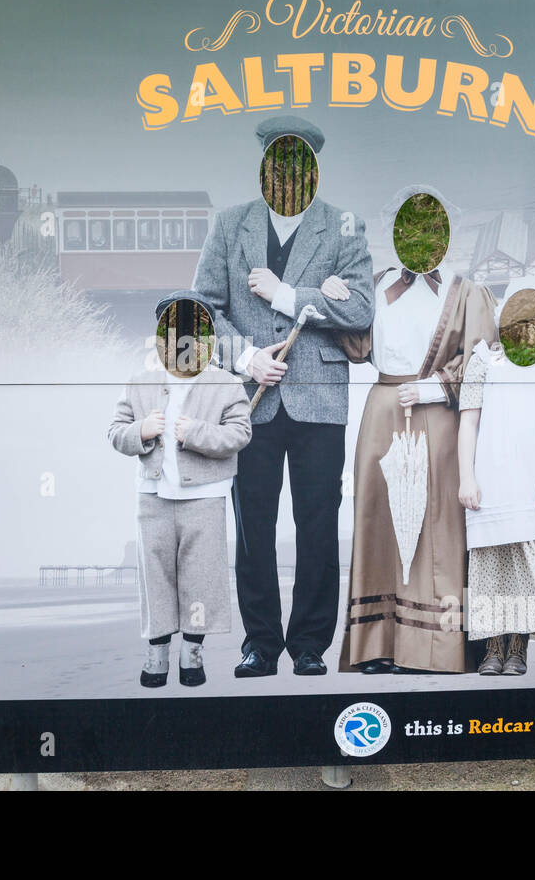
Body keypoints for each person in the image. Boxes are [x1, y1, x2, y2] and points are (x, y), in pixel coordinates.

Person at [192, 115, 374, 678]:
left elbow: (362, 308)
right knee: (253, 525)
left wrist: (290, 294)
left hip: (320, 401)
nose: (288, 169)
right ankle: (261, 645)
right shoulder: (228, 225)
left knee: (318, 522)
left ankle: (311, 644)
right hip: (252, 401)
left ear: (313, 168)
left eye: (299, 160)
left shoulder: (344, 227)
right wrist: (246, 358)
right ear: (266, 164)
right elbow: (203, 313)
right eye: (279, 158)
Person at [337, 260, 497, 675]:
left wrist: (432, 387)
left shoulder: (465, 291)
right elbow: (357, 349)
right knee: (379, 522)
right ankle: (377, 645)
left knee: (436, 526)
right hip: (383, 409)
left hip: (438, 413)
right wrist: (337, 298)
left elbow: (482, 358)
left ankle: (432, 648)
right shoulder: (377, 284)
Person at [107, 291, 252, 688]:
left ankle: (192, 652)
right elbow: (115, 433)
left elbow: (241, 432)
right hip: (152, 497)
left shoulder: (225, 383)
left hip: (205, 496)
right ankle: (156, 655)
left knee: (200, 578)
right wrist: (141, 431)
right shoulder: (140, 381)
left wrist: (196, 433)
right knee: (155, 576)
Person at [457, 277, 535, 676]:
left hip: (534, 485)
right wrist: (466, 478)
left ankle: (518, 649)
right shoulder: (483, 361)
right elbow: (468, 423)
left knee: (526, 570)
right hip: (492, 482)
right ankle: (492, 648)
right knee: (493, 564)